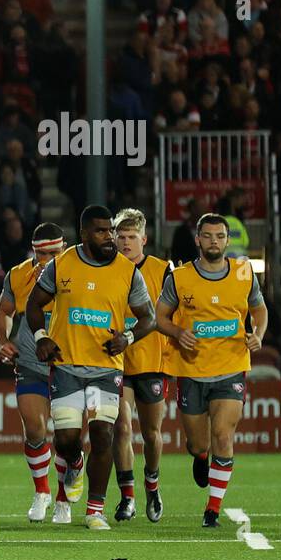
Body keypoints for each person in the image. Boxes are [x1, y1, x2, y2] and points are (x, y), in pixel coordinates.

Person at [25, 205, 157, 531]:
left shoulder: (128, 271)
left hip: (105, 369)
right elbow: (33, 303)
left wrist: (127, 337)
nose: (109, 237)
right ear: (84, 234)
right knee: (67, 439)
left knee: (102, 434)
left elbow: (149, 317)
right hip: (67, 365)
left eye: (110, 230)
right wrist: (41, 336)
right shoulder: (61, 264)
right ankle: (74, 462)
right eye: (101, 231)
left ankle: (94, 509)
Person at [156, 214, 267, 529]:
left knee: (223, 435)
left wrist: (257, 333)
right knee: (198, 444)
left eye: (219, 236)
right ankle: (201, 458)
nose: (214, 241)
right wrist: (177, 333)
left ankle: (213, 509)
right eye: (207, 236)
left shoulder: (245, 272)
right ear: (197, 240)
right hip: (191, 370)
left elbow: (259, 309)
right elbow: (160, 317)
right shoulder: (179, 278)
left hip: (231, 366)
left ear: (227, 240)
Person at [0, 223, 66, 522]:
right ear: (33, 251)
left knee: (67, 435)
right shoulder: (19, 274)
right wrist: (2, 341)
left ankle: (64, 496)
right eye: (41, 253)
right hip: (30, 362)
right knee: (35, 429)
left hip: (68, 362)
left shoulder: (77, 271)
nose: (47, 259)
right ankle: (43, 491)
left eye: (54, 253)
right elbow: (3, 312)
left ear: (64, 249)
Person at [110, 209, 172, 523]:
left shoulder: (162, 270)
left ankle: (152, 485)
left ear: (144, 239)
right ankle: (127, 497)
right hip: (115, 362)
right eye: (120, 237)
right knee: (121, 428)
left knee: (151, 433)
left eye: (131, 237)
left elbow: (172, 315)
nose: (125, 243)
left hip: (151, 360)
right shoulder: (106, 269)